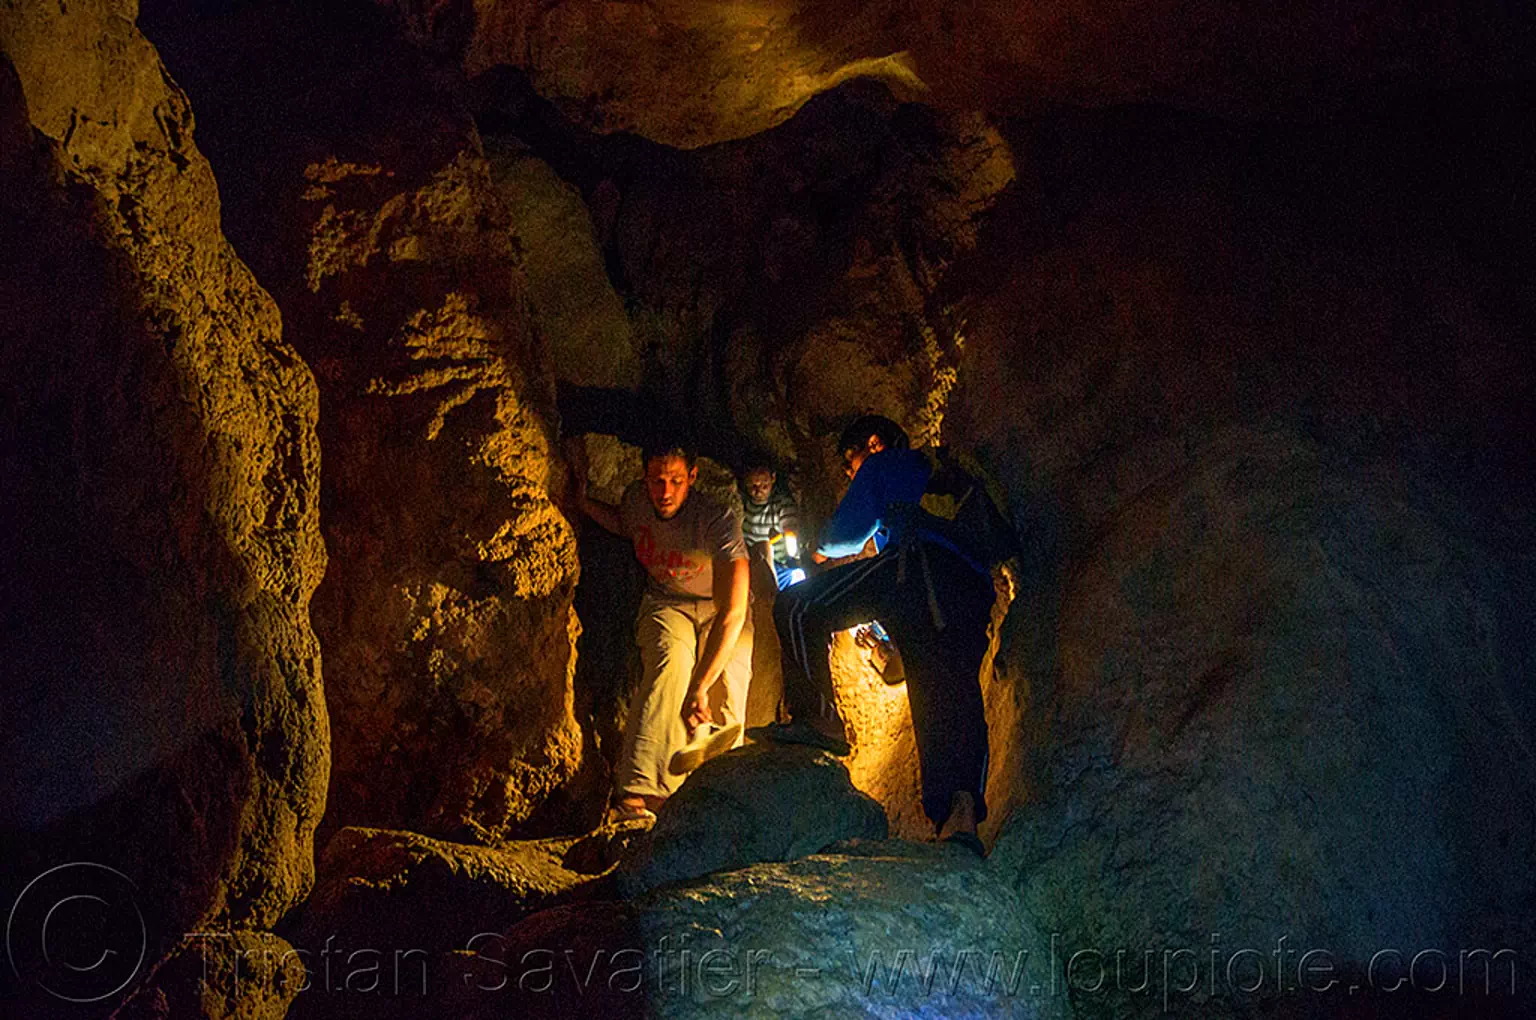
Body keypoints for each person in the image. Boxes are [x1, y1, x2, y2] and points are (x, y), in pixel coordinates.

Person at [763, 415, 999, 853]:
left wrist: (815, 553)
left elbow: (846, 534)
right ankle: (959, 820)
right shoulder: (945, 474)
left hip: (915, 567)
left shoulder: (891, 462)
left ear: (872, 444)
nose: (853, 477)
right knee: (948, 695)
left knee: (797, 605)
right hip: (969, 595)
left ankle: (819, 717)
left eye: (851, 467)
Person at [574, 439, 753, 822]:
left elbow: (733, 612)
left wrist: (701, 685)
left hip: (719, 608)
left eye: (675, 480)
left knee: (727, 687)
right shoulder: (638, 499)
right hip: (667, 601)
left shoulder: (716, 519)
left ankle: (717, 800)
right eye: (657, 480)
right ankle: (639, 796)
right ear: (645, 477)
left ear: (692, 476)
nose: (665, 491)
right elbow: (626, 525)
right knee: (667, 668)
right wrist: (582, 502)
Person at [738, 456, 803, 590]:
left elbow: (791, 532)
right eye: (753, 486)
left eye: (764, 485)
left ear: (773, 478)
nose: (758, 491)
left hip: (778, 564)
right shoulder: (742, 504)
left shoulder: (781, 504)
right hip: (750, 560)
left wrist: (785, 541)